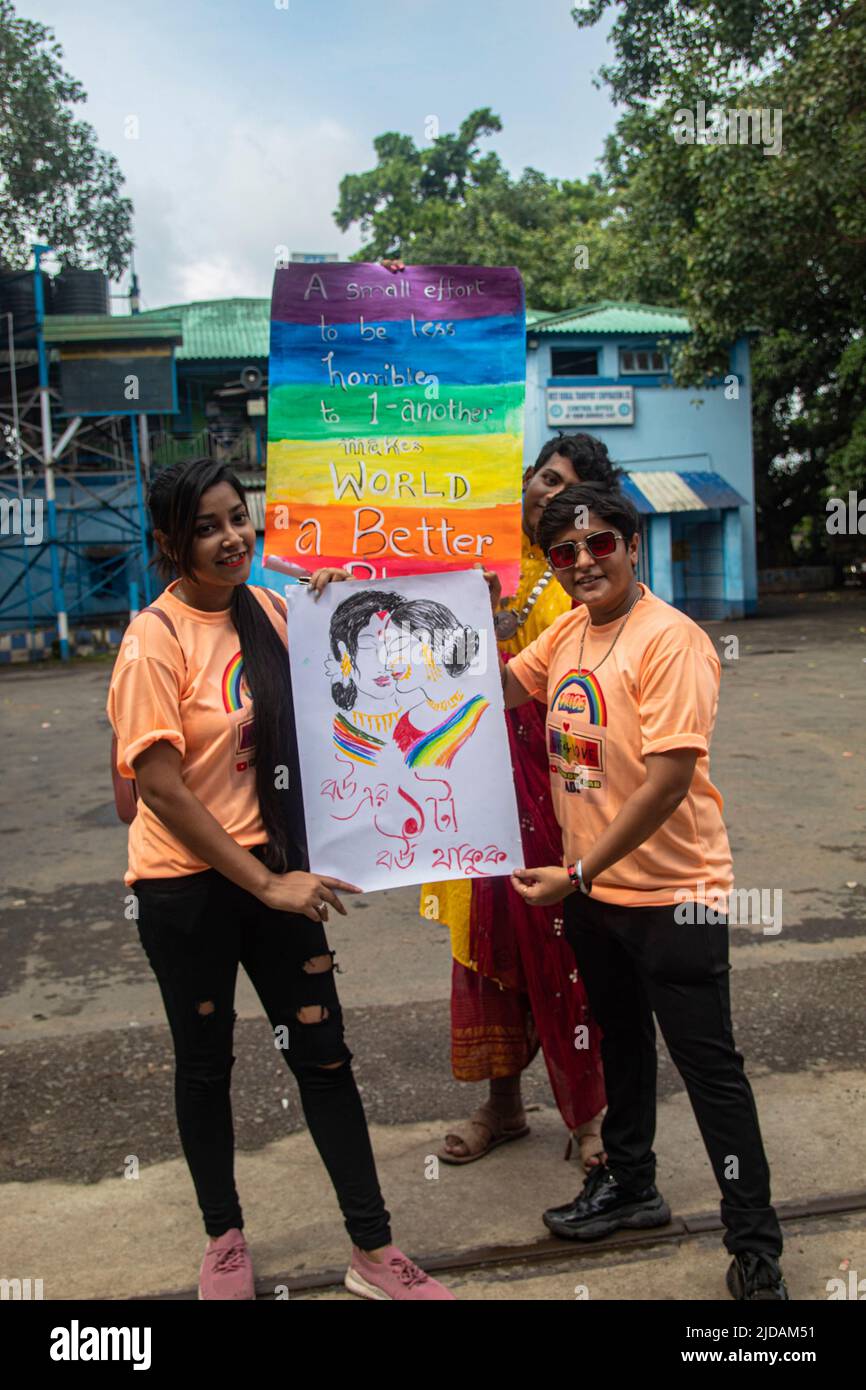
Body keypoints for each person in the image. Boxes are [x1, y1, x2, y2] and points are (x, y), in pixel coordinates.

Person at [106, 457, 454, 1301]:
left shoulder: (272, 610)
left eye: (238, 518)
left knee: (324, 1057)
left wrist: (335, 606)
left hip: (279, 876)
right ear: (169, 543)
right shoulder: (154, 640)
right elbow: (154, 788)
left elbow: (345, 709)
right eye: (207, 527)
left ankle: (375, 1252)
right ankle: (224, 1242)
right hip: (186, 888)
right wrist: (263, 885)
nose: (233, 539)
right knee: (205, 1063)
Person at [501, 480, 788, 1301]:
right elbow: (497, 688)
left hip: (673, 896)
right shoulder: (564, 634)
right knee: (620, 1048)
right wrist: (445, 608)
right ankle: (631, 1186)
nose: (585, 563)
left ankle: (756, 1249)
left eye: (600, 544)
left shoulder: (672, 640)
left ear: (632, 542)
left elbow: (667, 782)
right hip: (594, 895)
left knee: (710, 1072)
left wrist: (580, 874)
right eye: (565, 552)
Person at [423, 434, 618, 1167]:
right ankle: (503, 1108)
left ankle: (589, 1113)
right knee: (488, 949)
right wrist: (339, 584)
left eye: (567, 489)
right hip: (474, 788)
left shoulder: (585, 571)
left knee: (569, 950)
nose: (547, 494)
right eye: (543, 478)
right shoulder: (471, 547)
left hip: (563, 798)